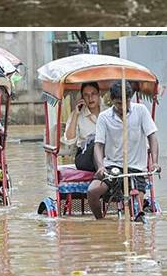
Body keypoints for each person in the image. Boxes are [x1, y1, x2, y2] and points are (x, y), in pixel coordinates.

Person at [86, 82, 160, 219]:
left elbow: (152, 136)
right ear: (112, 101)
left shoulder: (141, 111)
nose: (123, 107)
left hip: (137, 168)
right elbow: (98, 145)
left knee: (138, 209)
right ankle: (100, 222)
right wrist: (101, 166)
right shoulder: (104, 117)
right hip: (113, 167)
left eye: (126, 102)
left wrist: (155, 162)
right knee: (92, 192)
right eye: (119, 104)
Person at [64, 82, 102, 171]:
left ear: (99, 95)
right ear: (82, 98)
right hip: (84, 157)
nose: (90, 98)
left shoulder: (108, 112)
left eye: (93, 94)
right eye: (86, 95)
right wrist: (76, 115)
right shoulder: (76, 115)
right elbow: (69, 140)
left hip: (106, 154)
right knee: (95, 142)